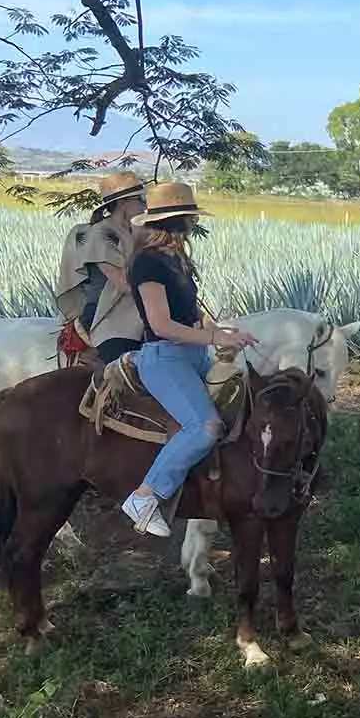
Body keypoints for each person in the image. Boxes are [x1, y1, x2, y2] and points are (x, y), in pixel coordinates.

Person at [119, 181, 259, 538]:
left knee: (240, 405)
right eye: (189, 218)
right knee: (205, 427)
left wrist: (224, 332)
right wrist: (215, 337)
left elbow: (191, 315)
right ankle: (145, 496)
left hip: (193, 354)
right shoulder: (147, 263)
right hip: (165, 358)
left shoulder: (176, 260)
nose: (193, 225)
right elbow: (162, 325)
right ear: (174, 223)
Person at [54, 172, 149, 364]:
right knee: (125, 372)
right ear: (123, 203)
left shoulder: (136, 232)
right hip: (106, 313)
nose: (145, 205)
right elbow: (123, 284)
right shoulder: (99, 234)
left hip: (136, 307)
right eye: (140, 199)